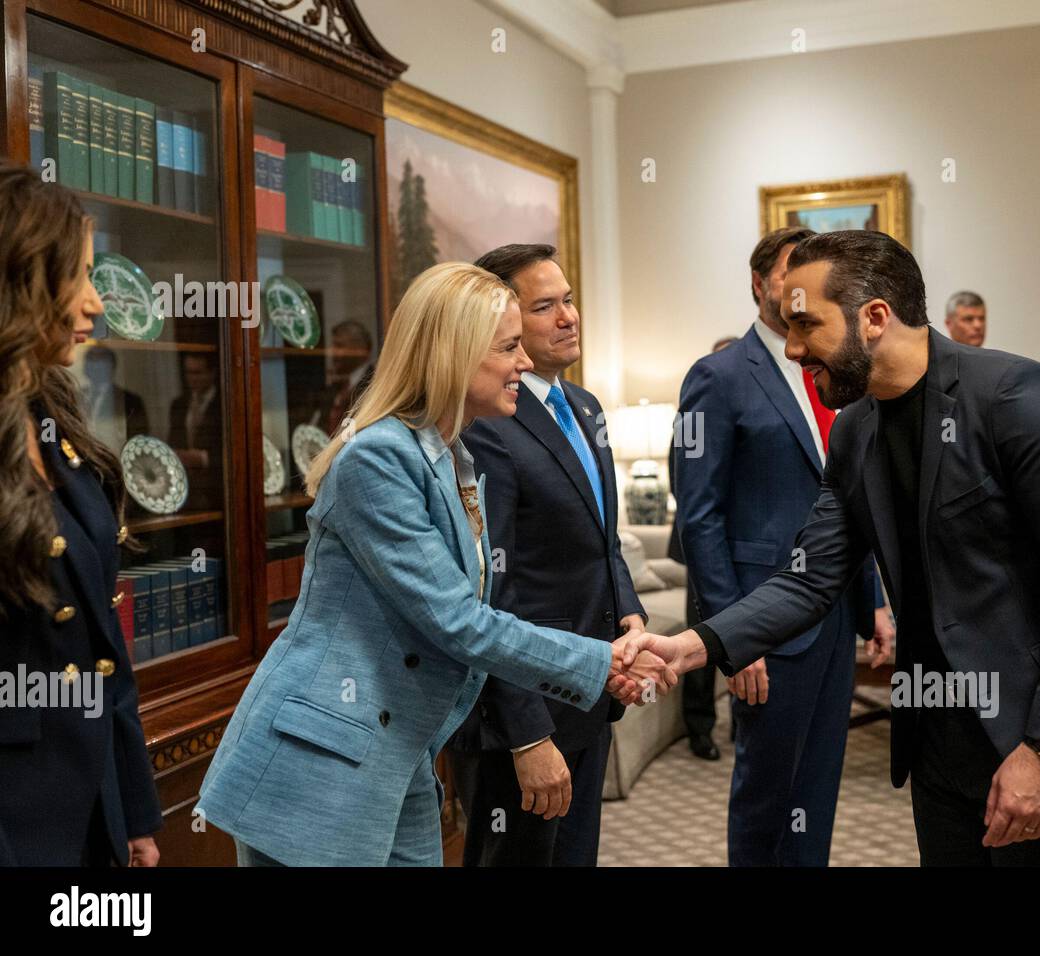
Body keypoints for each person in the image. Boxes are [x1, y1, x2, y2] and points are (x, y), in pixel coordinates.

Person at [623, 230, 1040, 866]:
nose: (794, 346)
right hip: (938, 739)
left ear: (875, 317)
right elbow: (809, 577)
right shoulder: (857, 429)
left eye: (806, 325)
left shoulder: (1017, 397)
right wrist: (690, 646)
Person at [197, 262, 673, 867]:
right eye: (507, 348)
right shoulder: (378, 460)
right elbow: (459, 621)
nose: (524, 364)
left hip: (402, 755)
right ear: (453, 354)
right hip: (324, 759)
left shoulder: (452, 456)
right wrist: (597, 660)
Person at [673, 226, 890, 866]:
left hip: (835, 614)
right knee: (767, 793)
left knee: (817, 788)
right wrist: (733, 636)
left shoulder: (836, 369)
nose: (799, 294)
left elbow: (850, 501)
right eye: (789, 276)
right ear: (761, 284)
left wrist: (872, 599)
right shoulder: (716, 377)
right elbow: (699, 517)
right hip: (765, 624)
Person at [446, 244, 646, 866]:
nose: (568, 316)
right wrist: (525, 730)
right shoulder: (485, 421)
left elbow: (602, 539)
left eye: (568, 299)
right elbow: (490, 591)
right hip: (527, 709)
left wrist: (630, 613)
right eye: (544, 307)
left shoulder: (583, 407)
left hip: (592, 686)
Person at [0, 162, 162, 866]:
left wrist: (133, 813)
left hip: (91, 804)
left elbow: (104, 651)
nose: (97, 304)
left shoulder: (52, 419)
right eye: (84, 276)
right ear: (24, 280)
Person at [670, 330, 738, 761]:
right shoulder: (696, 411)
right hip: (705, 549)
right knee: (704, 639)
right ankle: (700, 729)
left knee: (750, 636)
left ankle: (740, 720)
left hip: (748, 548)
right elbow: (685, 481)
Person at [167, 351, 223, 510]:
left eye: (197, 373)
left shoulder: (225, 403)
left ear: (212, 373)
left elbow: (238, 452)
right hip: (186, 492)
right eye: (188, 372)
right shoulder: (178, 404)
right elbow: (173, 440)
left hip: (217, 492)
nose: (192, 378)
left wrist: (203, 458)